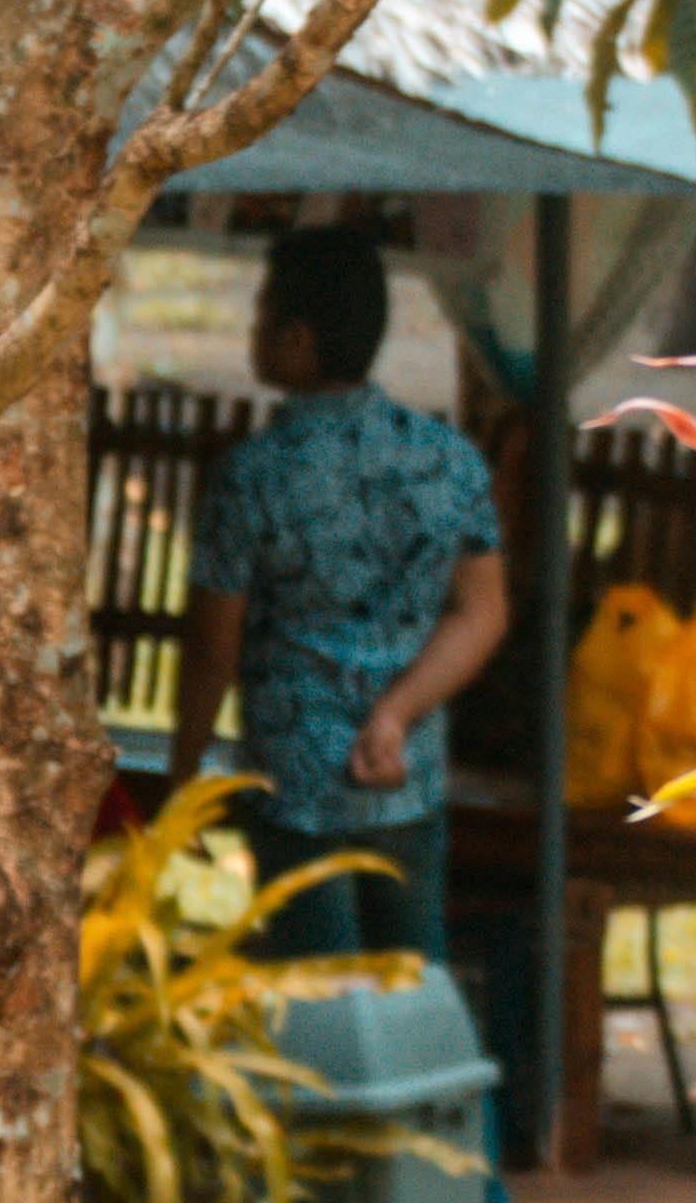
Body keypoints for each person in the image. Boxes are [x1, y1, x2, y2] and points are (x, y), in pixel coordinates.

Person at [174, 218, 508, 959]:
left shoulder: (254, 476)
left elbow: (211, 647)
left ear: (297, 340)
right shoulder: (449, 462)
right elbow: (482, 614)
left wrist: (184, 773)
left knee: (320, 1007)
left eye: (262, 316)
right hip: (406, 775)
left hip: (296, 784)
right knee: (412, 989)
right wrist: (396, 714)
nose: (253, 332)